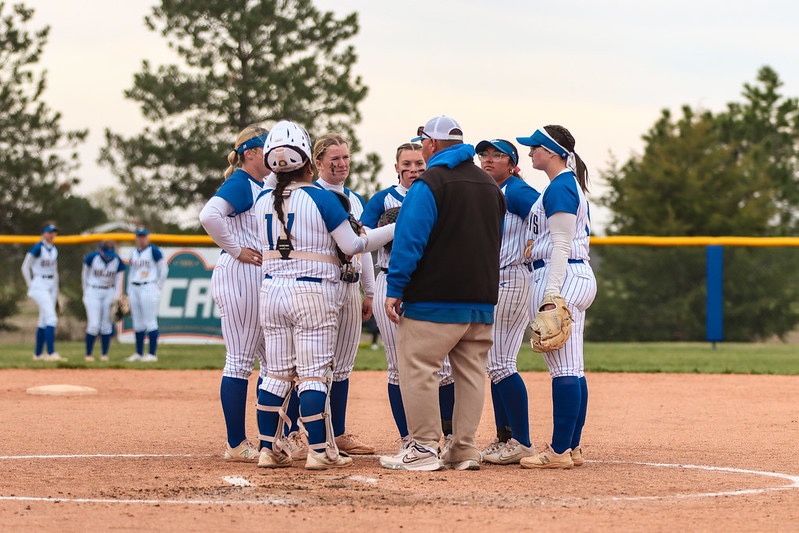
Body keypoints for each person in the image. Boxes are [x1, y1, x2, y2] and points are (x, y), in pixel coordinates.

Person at [252, 120, 395, 470]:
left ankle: (268, 448)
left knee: (275, 373)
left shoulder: (261, 201)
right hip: (313, 290)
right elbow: (355, 245)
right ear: (308, 161)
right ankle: (319, 450)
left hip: (271, 289)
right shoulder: (322, 197)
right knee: (314, 373)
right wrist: (396, 226)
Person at [380, 115, 505, 471]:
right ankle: (464, 448)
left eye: (423, 142)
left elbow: (409, 241)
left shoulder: (429, 183)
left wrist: (396, 287)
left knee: (418, 368)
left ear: (431, 144)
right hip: (480, 299)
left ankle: (422, 448)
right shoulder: (488, 184)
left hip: (434, 299)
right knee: (470, 374)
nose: (421, 148)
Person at [360, 142, 456, 452]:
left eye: (418, 163)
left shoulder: (438, 191)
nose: (413, 169)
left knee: (442, 368)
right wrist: (397, 229)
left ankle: (449, 436)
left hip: (431, 281)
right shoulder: (383, 199)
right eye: (407, 164)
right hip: (390, 277)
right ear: (397, 167)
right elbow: (361, 239)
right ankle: (408, 438)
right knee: (396, 366)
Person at [515, 125, 597, 469]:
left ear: (550, 150)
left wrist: (551, 294)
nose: (530, 152)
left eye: (534, 147)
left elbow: (562, 245)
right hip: (569, 275)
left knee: (563, 368)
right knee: (573, 368)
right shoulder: (563, 185)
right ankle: (573, 447)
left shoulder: (561, 185)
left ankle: (559, 450)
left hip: (560, 276)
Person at [198, 125, 269, 463]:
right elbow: (209, 215)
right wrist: (236, 248)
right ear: (250, 153)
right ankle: (237, 443)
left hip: (259, 276)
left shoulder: (262, 185)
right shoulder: (242, 181)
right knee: (240, 360)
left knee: (274, 361)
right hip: (241, 273)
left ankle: (274, 438)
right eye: (266, 147)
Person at [474, 139, 541, 465]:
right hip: (496, 279)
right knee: (495, 364)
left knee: (501, 364)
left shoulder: (515, 189)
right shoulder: (495, 191)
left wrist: (534, 246)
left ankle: (522, 441)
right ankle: (506, 438)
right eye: (484, 154)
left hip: (512, 278)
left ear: (513, 164)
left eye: (497, 155)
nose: (488, 160)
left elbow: (546, 215)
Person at [310, 133, 376, 455]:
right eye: (333, 158)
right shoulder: (311, 195)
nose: (341, 164)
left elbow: (362, 250)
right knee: (313, 363)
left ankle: (338, 432)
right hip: (321, 286)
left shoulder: (354, 198)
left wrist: (370, 291)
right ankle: (305, 433)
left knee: (344, 364)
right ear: (318, 162)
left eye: (345, 157)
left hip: (349, 285)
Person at [21, 223, 65, 361]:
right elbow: (25, 267)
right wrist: (31, 285)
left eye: (54, 232)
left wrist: (56, 290)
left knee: (43, 320)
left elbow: (54, 270)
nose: (52, 235)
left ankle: (38, 354)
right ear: (43, 234)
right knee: (51, 318)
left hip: (51, 284)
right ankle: (51, 353)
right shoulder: (38, 248)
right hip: (39, 283)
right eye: (49, 232)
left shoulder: (53, 249)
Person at [125, 228, 169, 363]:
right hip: (135, 287)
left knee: (150, 321)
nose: (141, 238)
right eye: (139, 236)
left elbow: (164, 269)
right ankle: (138, 353)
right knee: (137, 322)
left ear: (148, 237)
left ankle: (152, 354)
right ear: (136, 237)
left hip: (149, 286)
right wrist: (127, 291)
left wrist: (158, 286)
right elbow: (132, 272)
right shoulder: (133, 252)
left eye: (143, 236)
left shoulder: (154, 250)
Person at [82, 240, 126, 362]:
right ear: (100, 250)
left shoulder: (117, 260)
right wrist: (85, 293)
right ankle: (88, 355)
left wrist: (117, 297)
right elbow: (84, 276)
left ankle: (104, 355)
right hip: (93, 291)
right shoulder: (92, 257)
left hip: (109, 292)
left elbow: (119, 280)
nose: (108, 255)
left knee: (106, 326)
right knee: (94, 325)